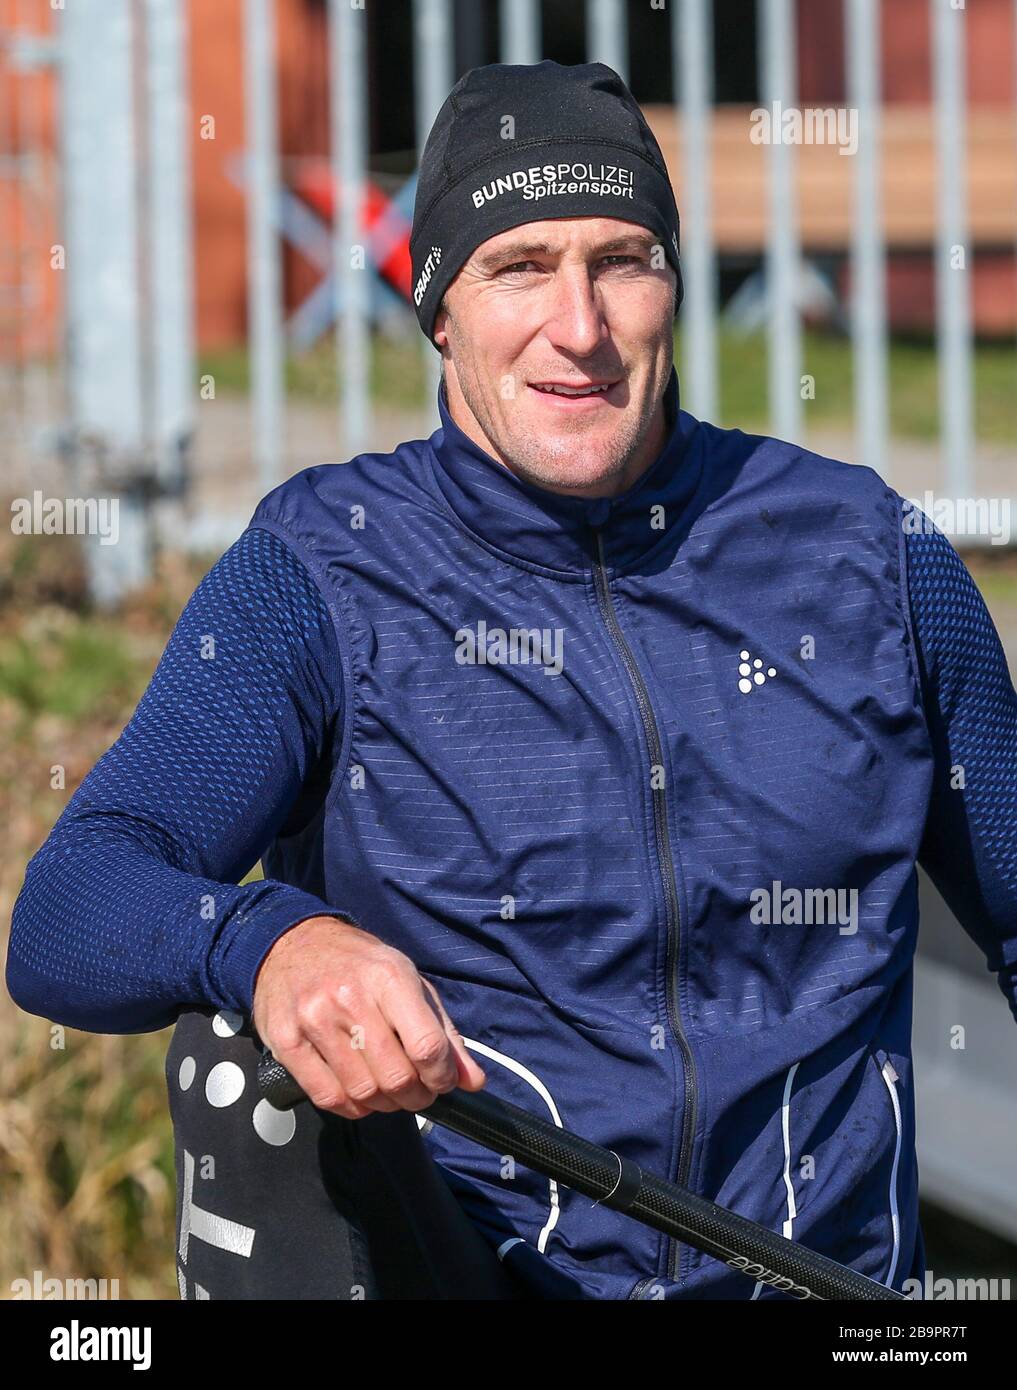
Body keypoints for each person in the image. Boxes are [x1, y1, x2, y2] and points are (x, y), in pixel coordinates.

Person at [7, 60, 1017, 1301]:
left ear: (673, 287)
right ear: (438, 309)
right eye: (519, 265)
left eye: (624, 259)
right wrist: (276, 943)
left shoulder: (871, 556)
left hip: (826, 1295)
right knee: (239, 1051)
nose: (580, 326)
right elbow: (69, 907)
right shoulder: (319, 572)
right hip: (471, 1282)